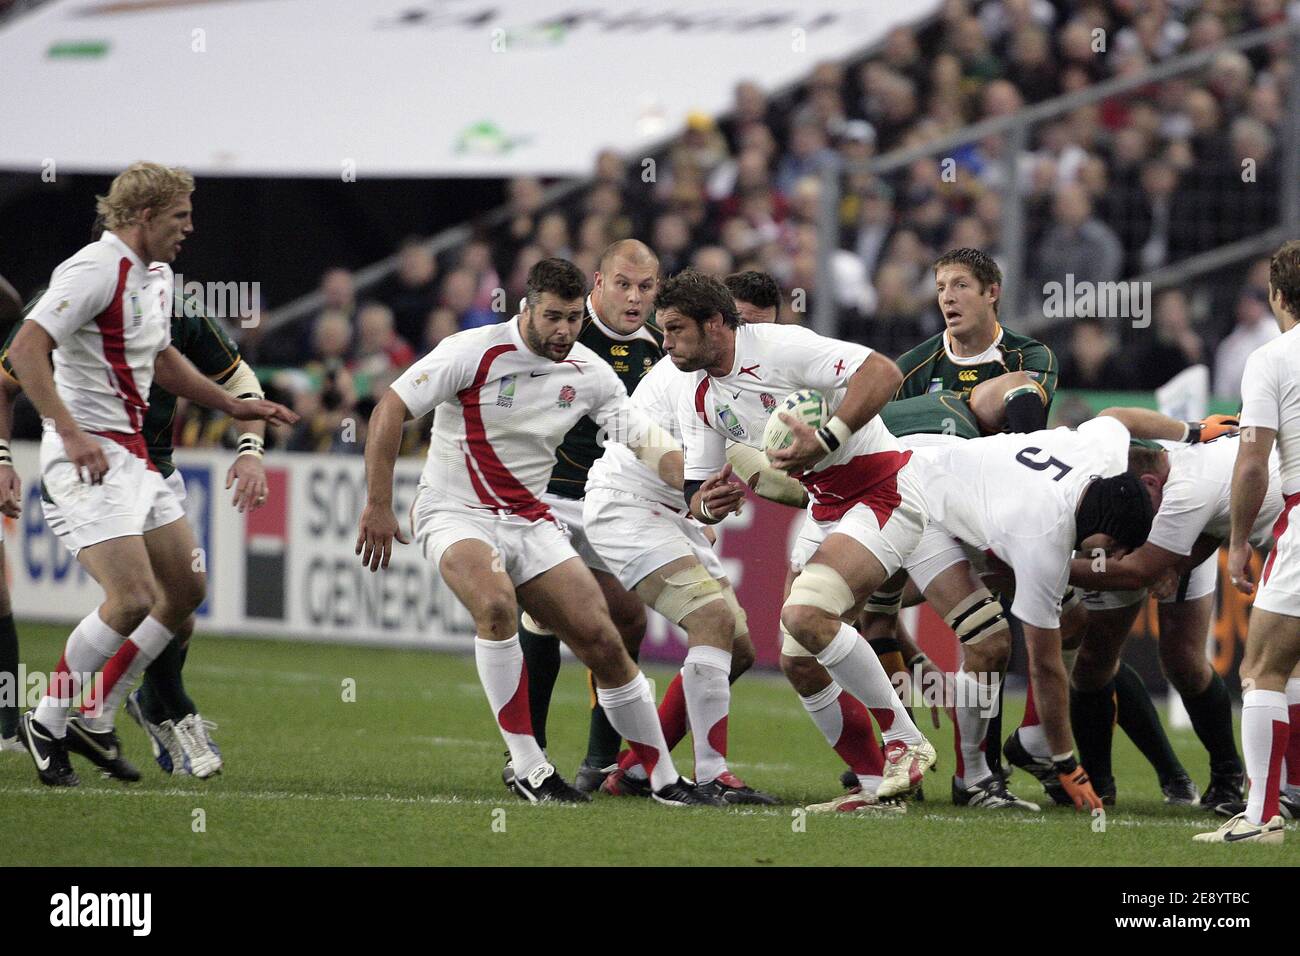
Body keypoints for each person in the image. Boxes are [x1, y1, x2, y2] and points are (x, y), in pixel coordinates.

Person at [356, 257, 715, 806]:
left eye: (573, 319)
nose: (564, 331)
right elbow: (390, 410)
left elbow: (646, 442)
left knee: (603, 639)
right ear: (526, 308)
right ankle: (528, 765)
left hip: (528, 518)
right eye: (553, 317)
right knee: (497, 605)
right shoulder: (473, 351)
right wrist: (378, 504)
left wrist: (694, 487)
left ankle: (665, 779)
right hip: (456, 511)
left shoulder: (588, 371)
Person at [8, 162, 296, 786]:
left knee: (184, 592)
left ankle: (100, 710)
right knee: (133, 597)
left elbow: (161, 357)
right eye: (180, 217)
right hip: (86, 459)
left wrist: (232, 404)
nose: (189, 228)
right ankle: (50, 716)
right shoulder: (93, 269)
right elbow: (25, 350)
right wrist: (69, 427)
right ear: (143, 216)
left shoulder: (157, 277)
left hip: (137, 459)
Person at [663, 268, 937, 801]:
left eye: (675, 330)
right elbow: (697, 491)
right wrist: (708, 506)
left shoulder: (782, 347)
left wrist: (830, 436)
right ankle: (881, 783)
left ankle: (905, 739)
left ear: (715, 324)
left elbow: (882, 372)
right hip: (826, 506)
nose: (666, 343)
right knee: (798, 659)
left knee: (807, 615)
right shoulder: (696, 395)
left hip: (883, 489)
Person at [510, 239, 668, 795]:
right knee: (548, 616)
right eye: (622, 284)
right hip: (545, 496)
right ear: (597, 284)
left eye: (646, 287)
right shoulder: (560, 331)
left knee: (627, 620)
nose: (634, 297)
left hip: (614, 504)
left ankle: (601, 760)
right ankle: (528, 755)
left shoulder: (662, 348)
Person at [1066, 409, 1272, 808]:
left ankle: (1228, 776)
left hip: (1182, 536)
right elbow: (1112, 415)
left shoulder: (1185, 489)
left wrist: (1047, 566)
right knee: (1092, 661)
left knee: (1184, 662)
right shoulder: (1141, 451)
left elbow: (1137, 571)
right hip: (1172, 536)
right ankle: (1101, 785)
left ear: (1147, 483)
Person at [1197, 240, 1300, 844]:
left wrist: (1237, 541)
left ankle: (1261, 817)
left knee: (1262, 668)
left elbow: (1253, 461)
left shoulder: (1272, 358)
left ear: (1277, 296)